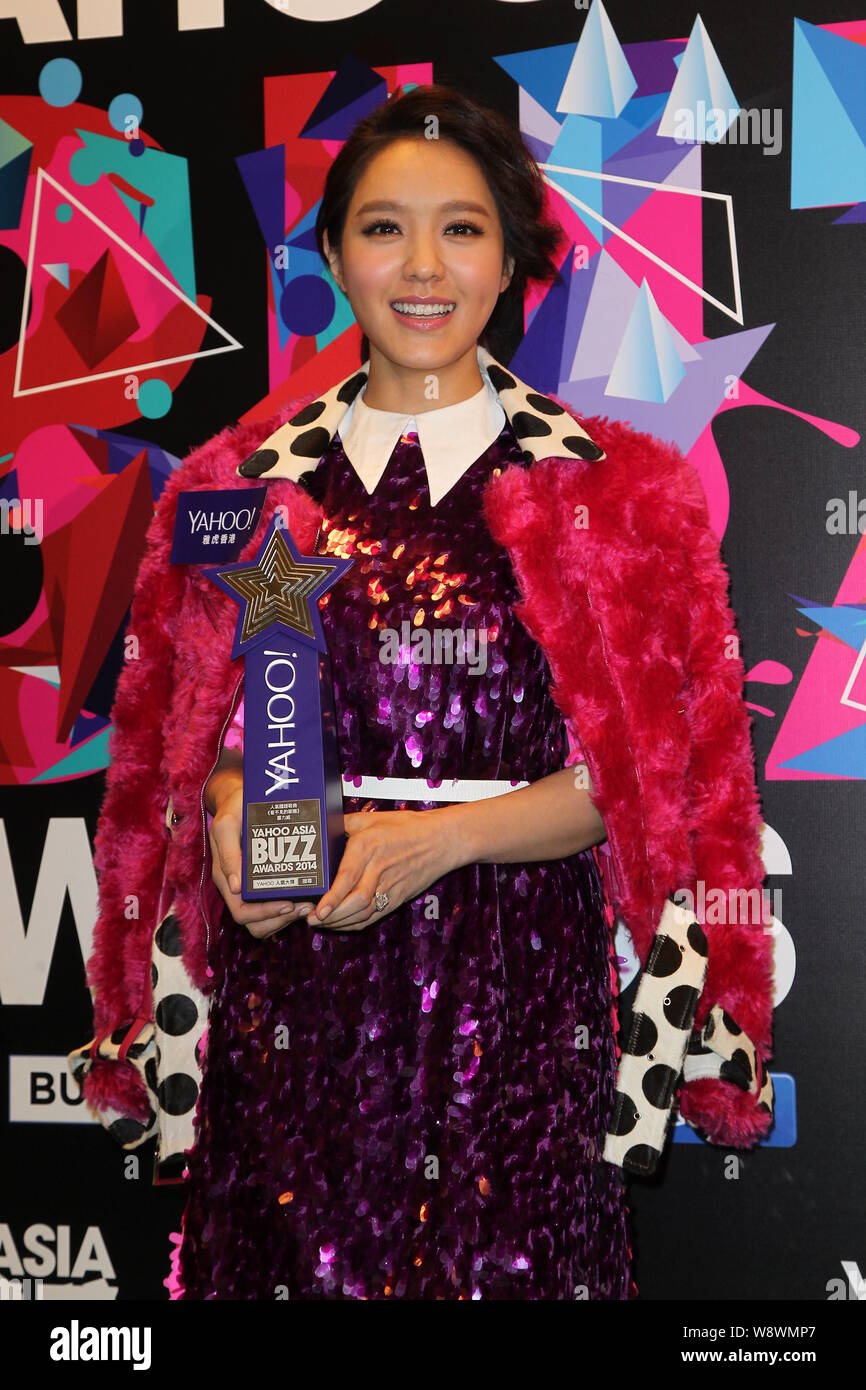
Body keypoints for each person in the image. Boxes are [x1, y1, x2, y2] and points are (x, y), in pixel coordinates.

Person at [69, 84, 775, 1301]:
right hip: (294, 981)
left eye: (460, 226)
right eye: (384, 226)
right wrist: (238, 817)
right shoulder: (232, 487)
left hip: (524, 987)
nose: (421, 265)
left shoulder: (618, 492)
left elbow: (651, 782)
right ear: (335, 251)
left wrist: (435, 844)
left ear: (511, 258)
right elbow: (183, 751)